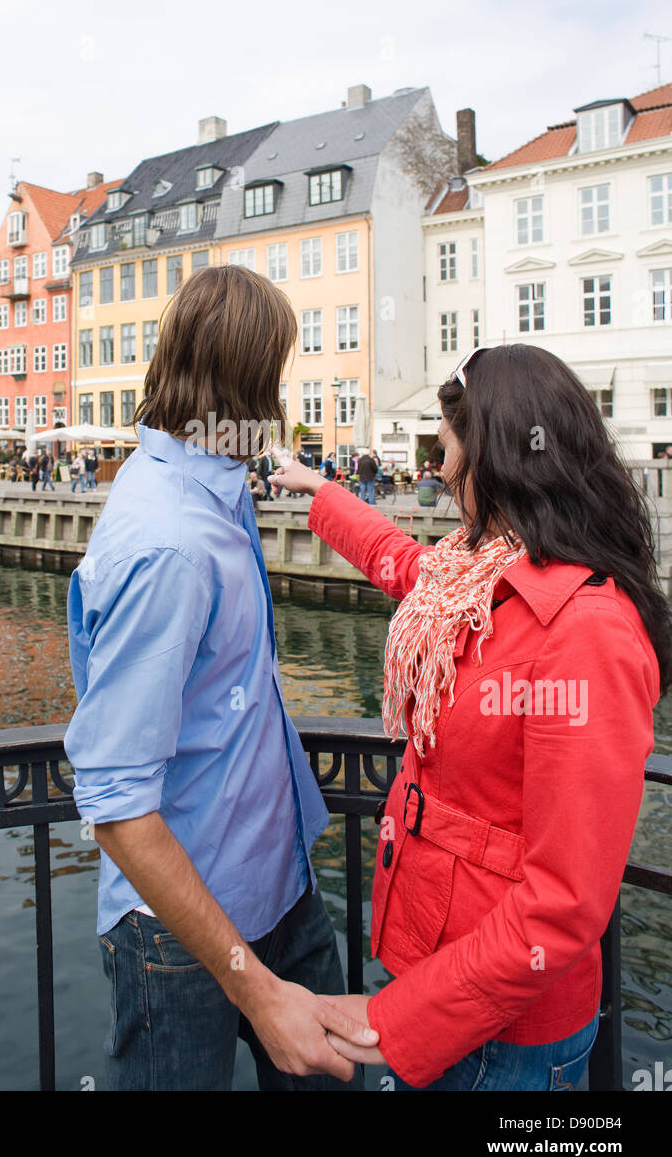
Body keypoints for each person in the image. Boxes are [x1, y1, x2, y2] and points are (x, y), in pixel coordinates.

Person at [271, 342, 668, 1091]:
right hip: (443, 978)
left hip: (505, 1038)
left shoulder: (587, 632)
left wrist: (398, 1022)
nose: (442, 469)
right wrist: (317, 491)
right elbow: (396, 558)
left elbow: (563, 905)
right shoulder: (477, 577)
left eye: (449, 449)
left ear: (495, 456)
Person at [64, 264, 376, 1092]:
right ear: (247, 386)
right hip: (185, 937)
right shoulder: (168, 544)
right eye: (274, 377)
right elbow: (119, 803)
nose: (281, 397)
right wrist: (253, 986)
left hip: (277, 885)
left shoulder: (210, 482)